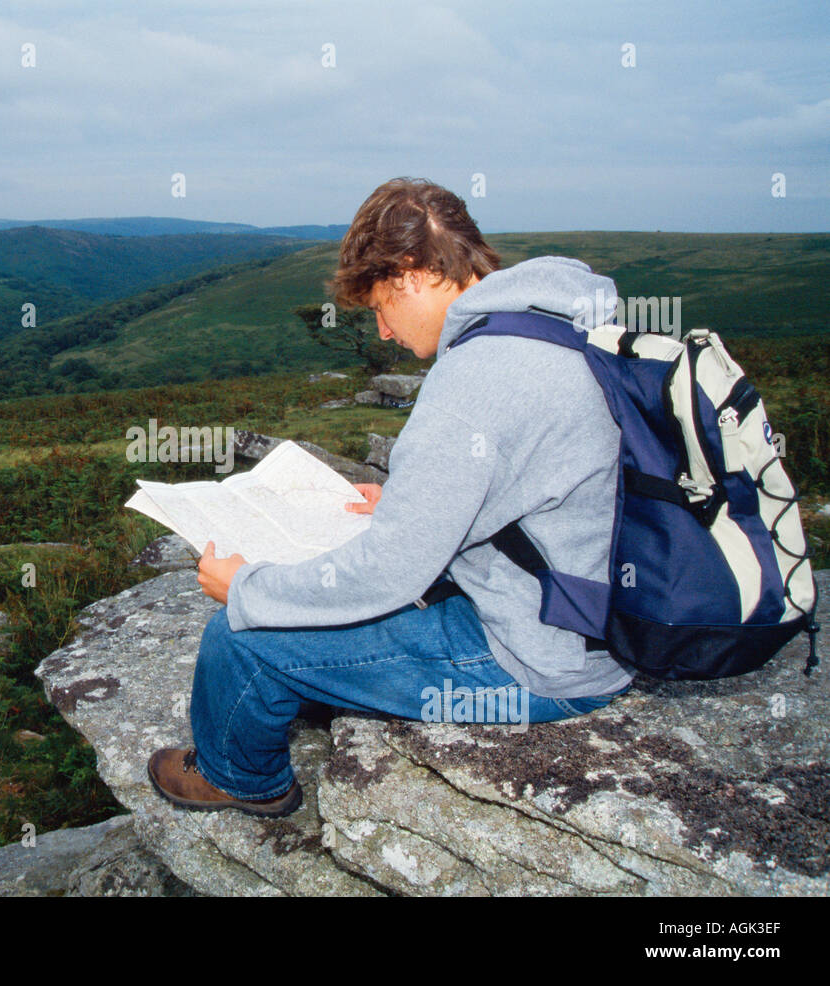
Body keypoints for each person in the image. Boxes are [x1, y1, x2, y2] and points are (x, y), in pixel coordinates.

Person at [148, 177, 635, 818]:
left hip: (539, 660)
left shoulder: (475, 379)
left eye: (380, 305)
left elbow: (387, 572)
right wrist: (414, 500)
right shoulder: (558, 322)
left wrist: (248, 587)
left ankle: (239, 778)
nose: (381, 330)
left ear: (410, 273)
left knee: (241, 640)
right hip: (595, 613)